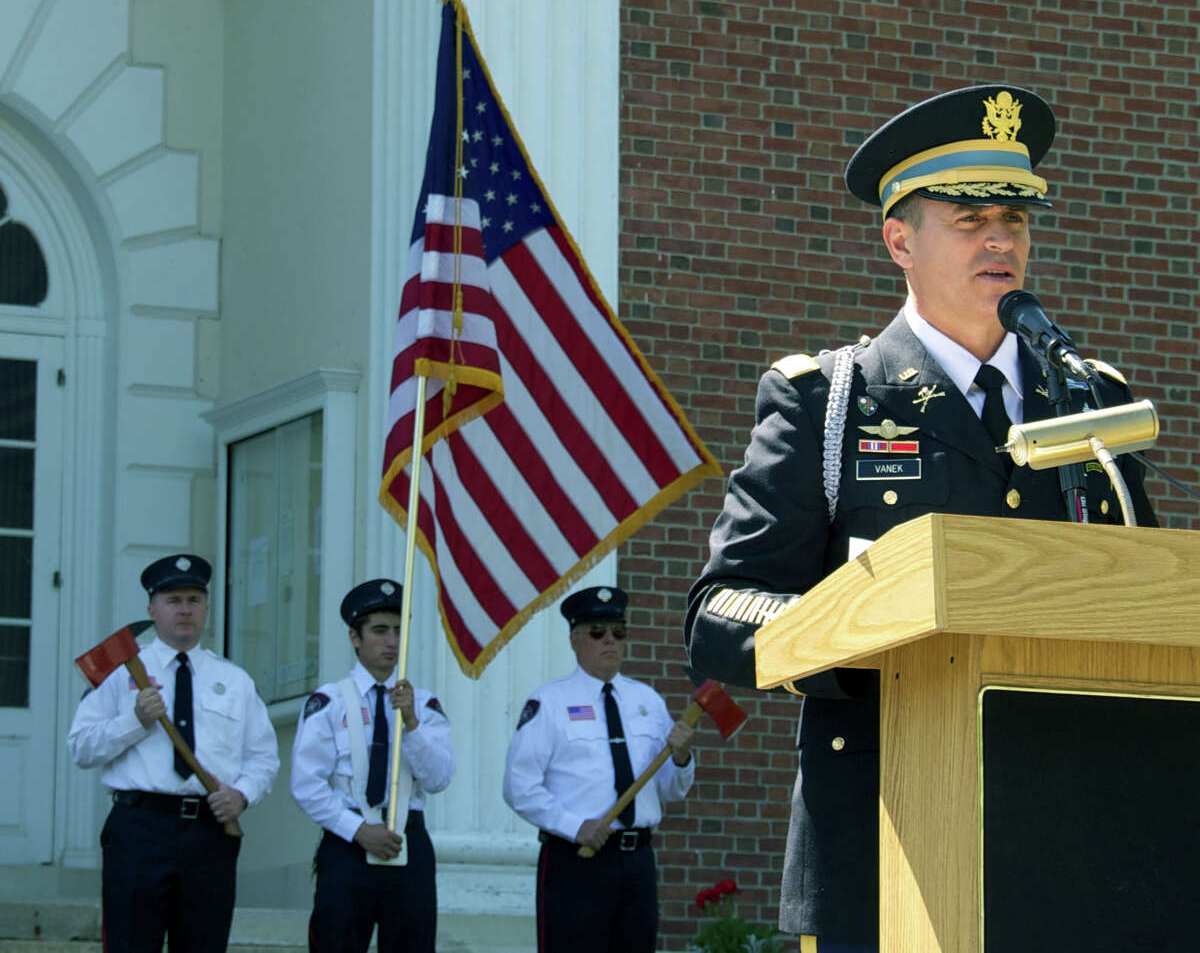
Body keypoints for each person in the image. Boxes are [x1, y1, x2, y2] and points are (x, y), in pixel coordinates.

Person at [685, 84, 1156, 952]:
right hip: (885, 833)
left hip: (1082, 842)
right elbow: (723, 613)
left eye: (1015, 219)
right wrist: (871, 649)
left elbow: (1150, 603)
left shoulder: (1094, 405)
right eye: (970, 217)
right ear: (900, 240)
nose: (1000, 238)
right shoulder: (828, 402)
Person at [68, 553, 280, 952]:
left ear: (206, 608)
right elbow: (81, 747)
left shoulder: (234, 681)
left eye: (194, 600)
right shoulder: (121, 671)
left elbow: (263, 756)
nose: (185, 610)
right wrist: (133, 720)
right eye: (173, 601)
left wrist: (242, 794)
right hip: (138, 828)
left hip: (209, 833)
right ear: (152, 610)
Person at [502, 585, 697, 953]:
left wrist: (681, 758)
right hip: (577, 859)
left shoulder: (647, 701)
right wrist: (575, 826)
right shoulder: (549, 702)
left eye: (618, 631)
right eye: (597, 632)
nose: (610, 640)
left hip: (637, 859)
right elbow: (518, 786)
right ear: (575, 640)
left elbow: (669, 790)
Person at [290, 578, 456, 953]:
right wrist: (358, 829)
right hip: (348, 842)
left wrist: (412, 724)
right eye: (379, 631)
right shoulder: (329, 702)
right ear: (355, 637)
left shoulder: (424, 704)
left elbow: (439, 778)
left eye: (398, 631)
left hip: (407, 840)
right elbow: (306, 784)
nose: (392, 641)